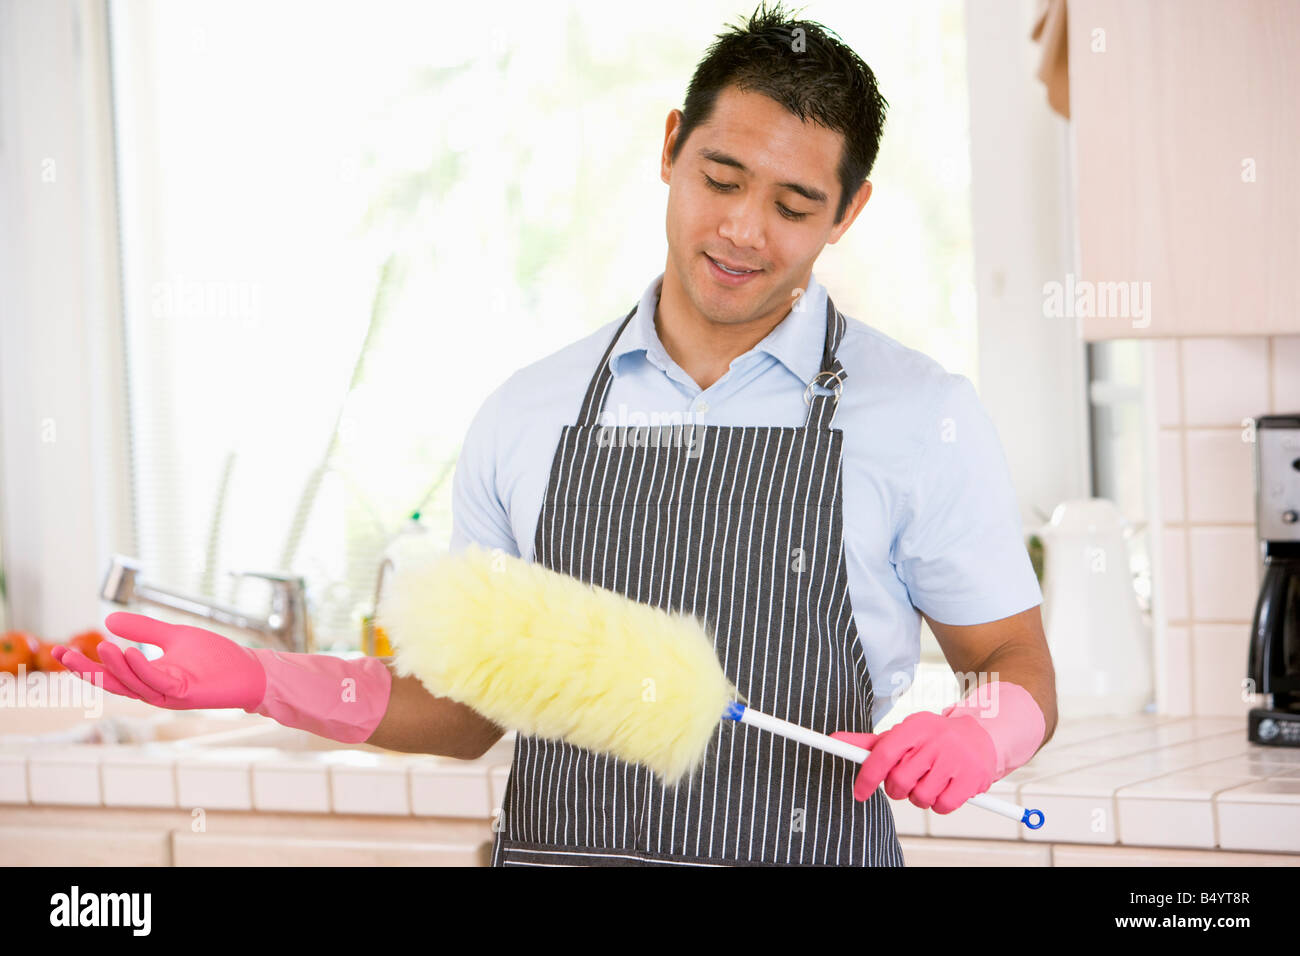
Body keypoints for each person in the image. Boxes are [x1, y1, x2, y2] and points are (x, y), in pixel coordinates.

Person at [56, 1, 1056, 867]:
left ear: (848, 212)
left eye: (794, 205)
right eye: (719, 177)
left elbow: (1013, 656)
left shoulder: (919, 413)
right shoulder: (529, 413)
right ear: (670, 145)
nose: (743, 230)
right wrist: (260, 678)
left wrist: (984, 727)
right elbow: (464, 706)